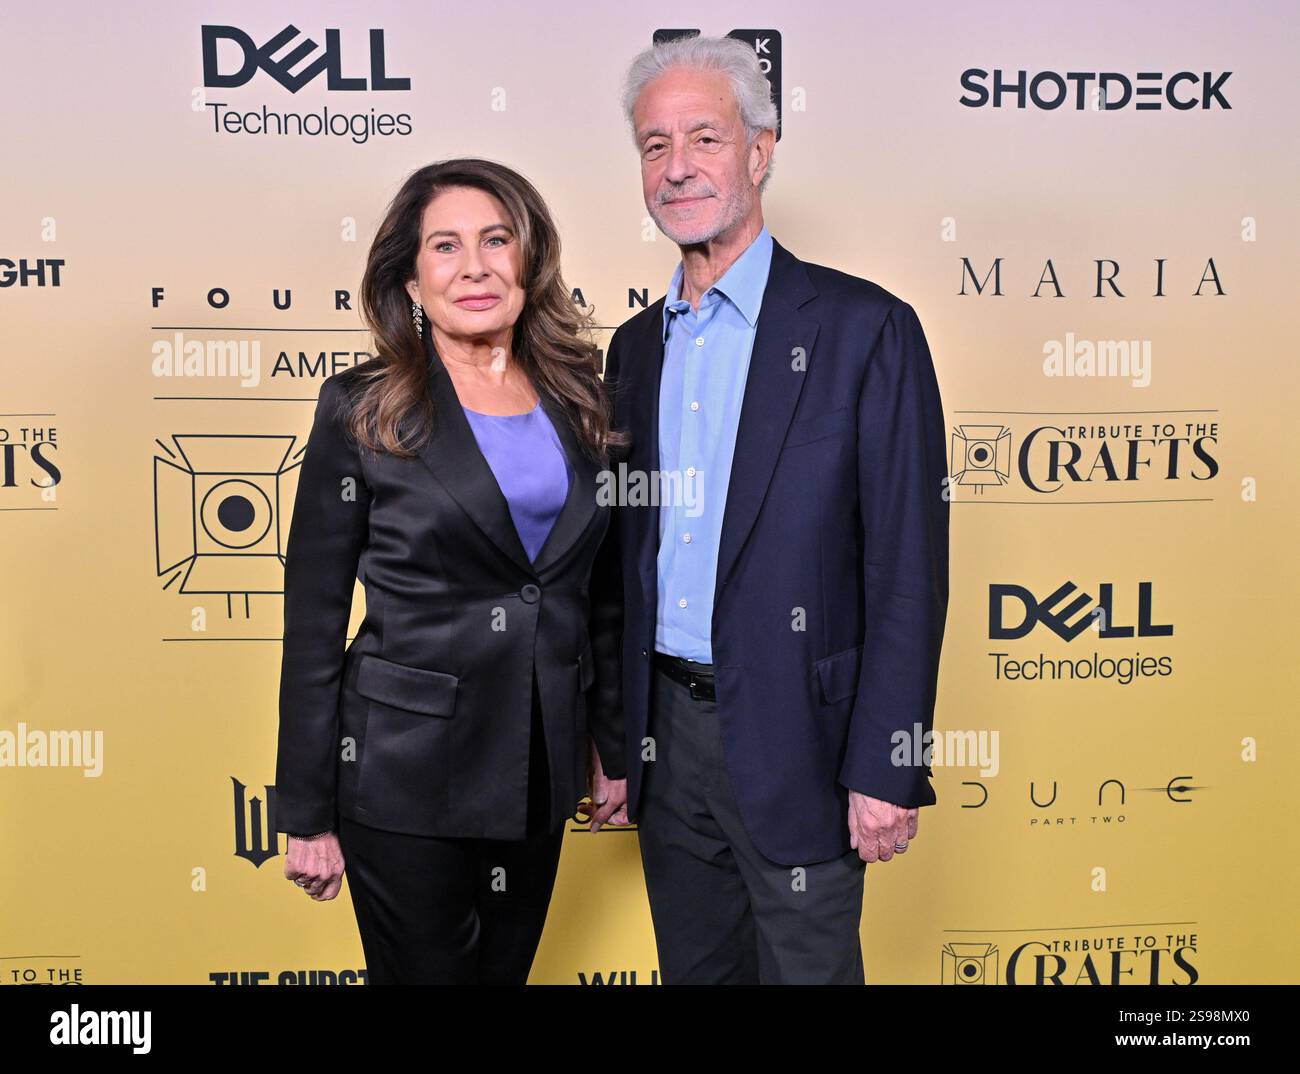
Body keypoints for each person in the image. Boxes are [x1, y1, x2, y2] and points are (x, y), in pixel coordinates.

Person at [587, 35, 950, 984]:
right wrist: (619, 743)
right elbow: (623, 567)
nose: (676, 169)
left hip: (808, 740)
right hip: (668, 740)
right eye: (653, 146)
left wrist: (887, 763)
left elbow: (907, 571)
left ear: (761, 148)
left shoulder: (866, 329)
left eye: (703, 138)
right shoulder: (632, 350)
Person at [274, 158, 628, 984]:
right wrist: (306, 811)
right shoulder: (363, 408)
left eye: (496, 240)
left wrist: (611, 744)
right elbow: (314, 620)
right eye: (446, 246)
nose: (475, 266)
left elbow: (598, 594)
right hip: (403, 775)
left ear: (528, 260)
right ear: (409, 277)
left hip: (539, 768)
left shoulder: (584, 402)